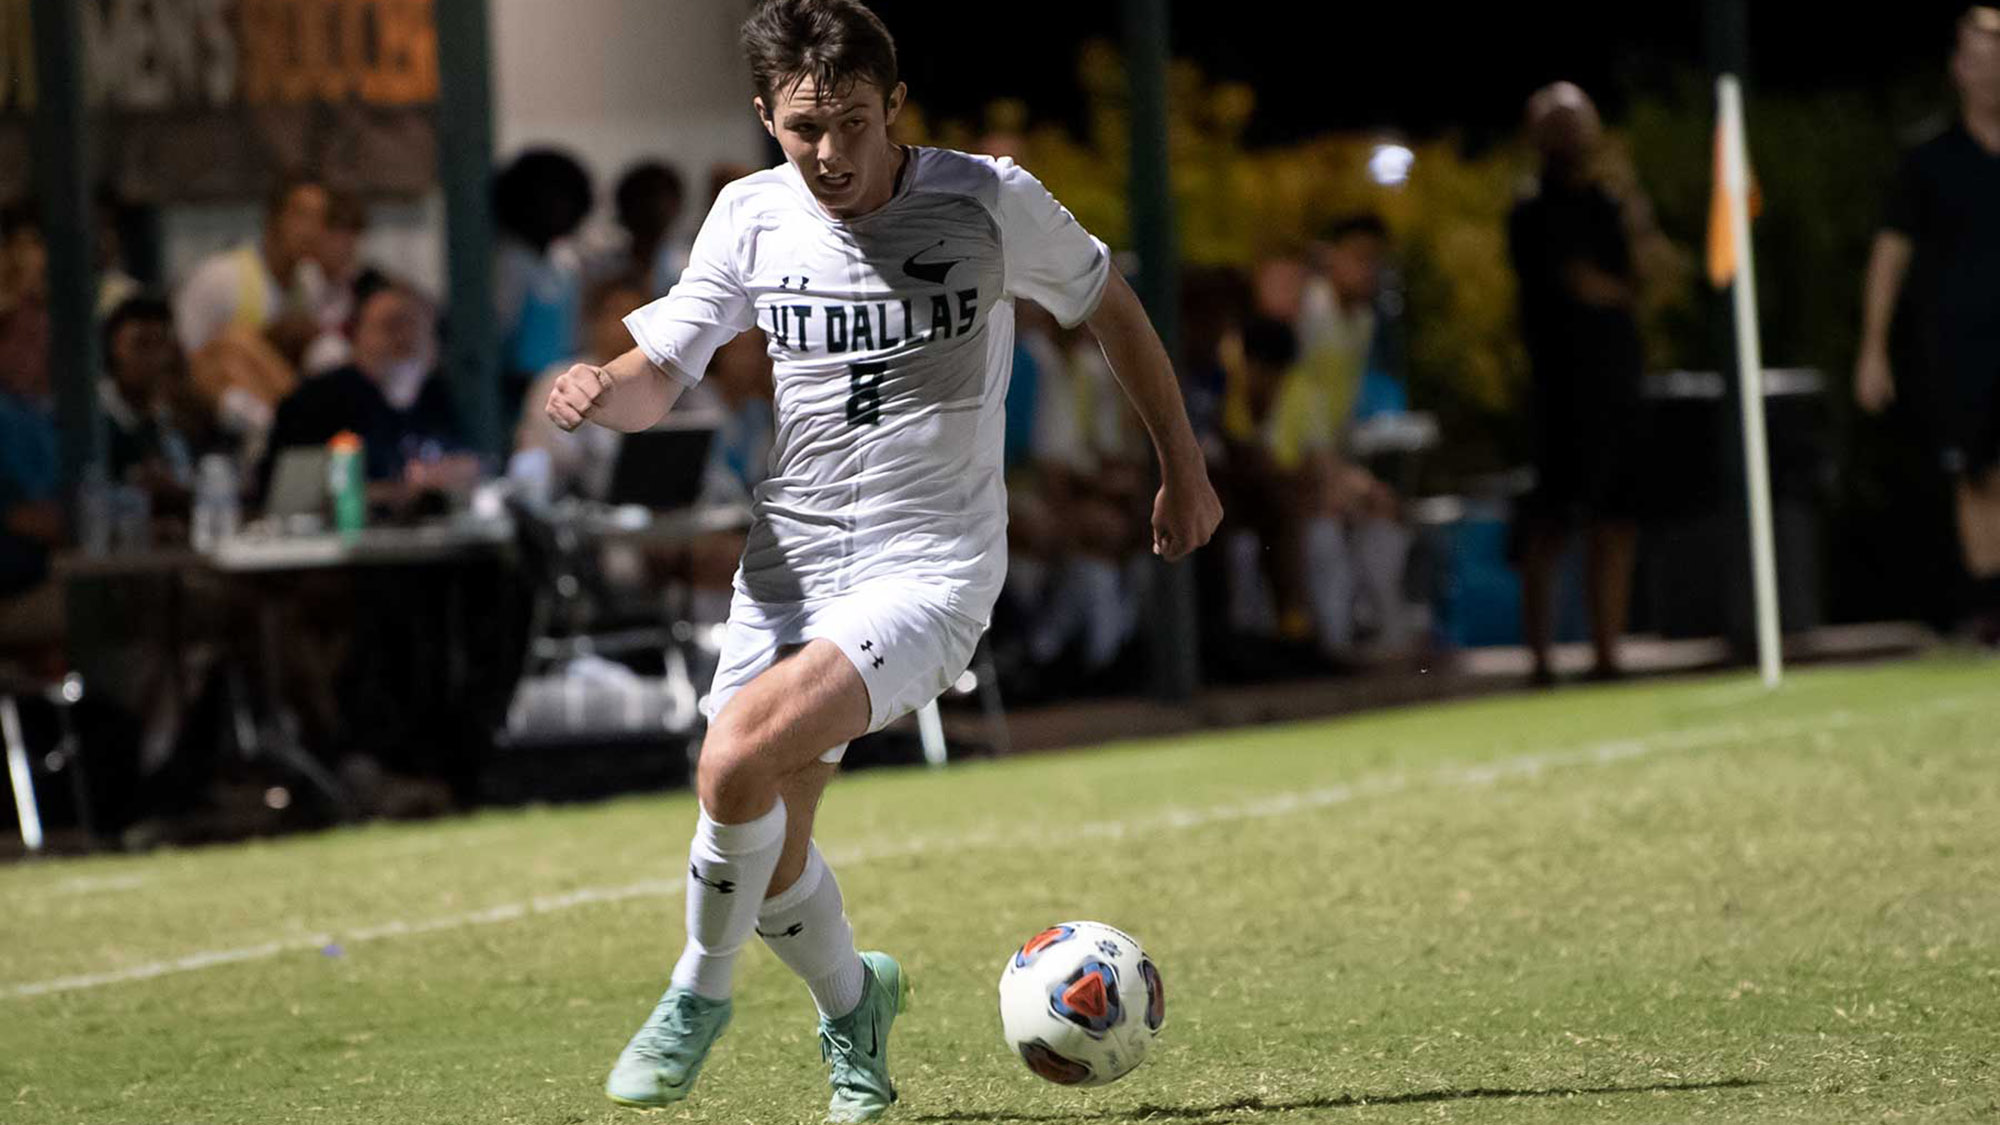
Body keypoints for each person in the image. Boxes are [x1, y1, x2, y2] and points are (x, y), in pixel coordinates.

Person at [542, 1, 1221, 1117]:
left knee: (729, 765)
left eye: (852, 122)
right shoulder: (750, 215)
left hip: (931, 568)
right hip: (789, 566)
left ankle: (693, 999)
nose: (830, 153)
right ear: (766, 114)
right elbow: (661, 366)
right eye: (804, 126)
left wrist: (1181, 468)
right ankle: (855, 1006)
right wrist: (595, 387)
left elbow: (1111, 308)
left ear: (892, 106)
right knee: (768, 850)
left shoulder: (986, 199)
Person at [1856, 5, 2000, 644]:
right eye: (1979, 55)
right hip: (1960, 346)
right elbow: (1891, 255)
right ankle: (1987, 607)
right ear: (1958, 69)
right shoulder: (1928, 160)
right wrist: (1873, 348)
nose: (1992, 68)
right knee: (1976, 475)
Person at [1507, 82, 1645, 685]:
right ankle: (1540, 659)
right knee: (1550, 521)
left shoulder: (1611, 204)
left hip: (1614, 381)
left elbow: (1644, 277)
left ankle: (1607, 653)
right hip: (1557, 386)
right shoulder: (1530, 212)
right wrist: (1613, 292)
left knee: (1615, 517)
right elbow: (1580, 282)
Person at [262, 281, 477, 509]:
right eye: (391, 326)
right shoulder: (317, 399)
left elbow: (467, 464)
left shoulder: (435, 394)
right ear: (357, 336)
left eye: (415, 326)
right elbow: (294, 491)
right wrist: (398, 491)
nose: (404, 338)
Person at [495, 149, 593, 423]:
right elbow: (498, 336)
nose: (562, 210)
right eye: (552, 201)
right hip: (514, 398)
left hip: (558, 392)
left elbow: (572, 336)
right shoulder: (507, 263)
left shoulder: (564, 262)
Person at [591, 161, 691, 299]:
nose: (653, 208)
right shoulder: (601, 268)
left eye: (661, 200)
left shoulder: (686, 270)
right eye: (644, 199)